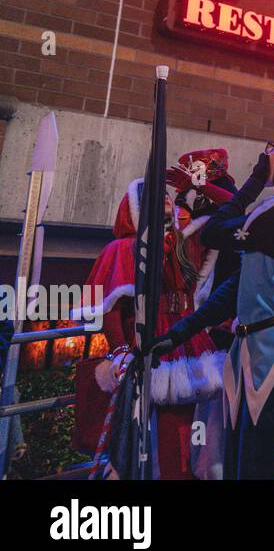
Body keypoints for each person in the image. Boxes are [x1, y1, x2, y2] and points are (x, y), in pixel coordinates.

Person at [154, 124, 274, 479]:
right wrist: (180, 333)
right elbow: (242, 286)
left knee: (260, 468)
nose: (266, 156)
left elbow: (214, 232)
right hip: (264, 350)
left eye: (273, 150)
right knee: (249, 465)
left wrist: (254, 181)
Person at [77, 176, 225, 479]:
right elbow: (109, 309)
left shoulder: (184, 244)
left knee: (198, 438)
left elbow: (227, 211)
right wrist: (120, 351)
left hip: (191, 347)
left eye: (168, 195)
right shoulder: (121, 250)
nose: (167, 199)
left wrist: (196, 188)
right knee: (157, 441)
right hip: (149, 351)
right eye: (157, 196)